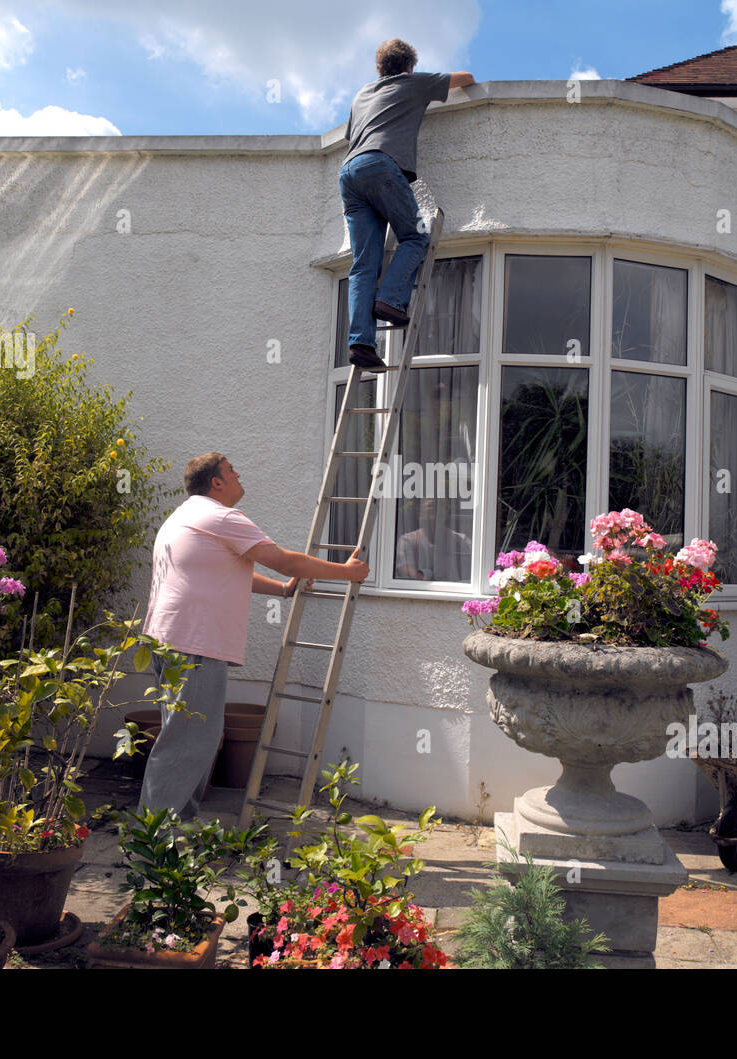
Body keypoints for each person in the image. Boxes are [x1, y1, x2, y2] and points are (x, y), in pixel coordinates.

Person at [139, 452, 369, 817]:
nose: (238, 473)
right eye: (231, 470)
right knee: (188, 741)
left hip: (167, 640)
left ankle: (174, 828)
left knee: (188, 737)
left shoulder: (185, 515)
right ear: (216, 482)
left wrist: (282, 591)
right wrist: (347, 571)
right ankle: (153, 841)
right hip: (194, 644)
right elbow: (284, 560)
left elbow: (227, 572)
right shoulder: (222, 517)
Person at [340, 39, 474, 372]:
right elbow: (467, 77)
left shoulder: (361, 95)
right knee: (415, 237)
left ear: (379, 68)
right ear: (410, 66)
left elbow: (350, 136)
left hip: (349, 174)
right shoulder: (413, 83)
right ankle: (391, 300)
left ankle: (361, 344)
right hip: (380, 166)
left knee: (363, 264)